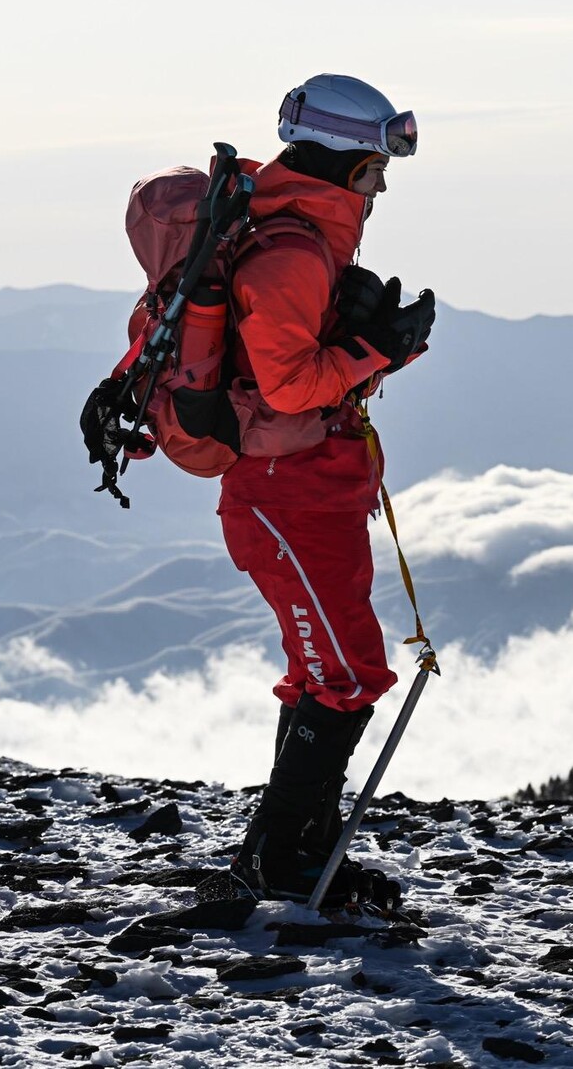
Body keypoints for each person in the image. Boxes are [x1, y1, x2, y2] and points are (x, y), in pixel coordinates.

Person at [220, 74, 435, 908]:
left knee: (328, 669)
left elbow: (308, 379)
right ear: (349, 168)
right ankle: (287, 860)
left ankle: (295, 850)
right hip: (285, 493)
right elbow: (288, 390)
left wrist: (381, 351)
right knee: (345, 670)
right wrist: (374, 351)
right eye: (378, 170)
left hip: (313, 485)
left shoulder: (306, 240)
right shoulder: (292, 253)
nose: (382, 187)